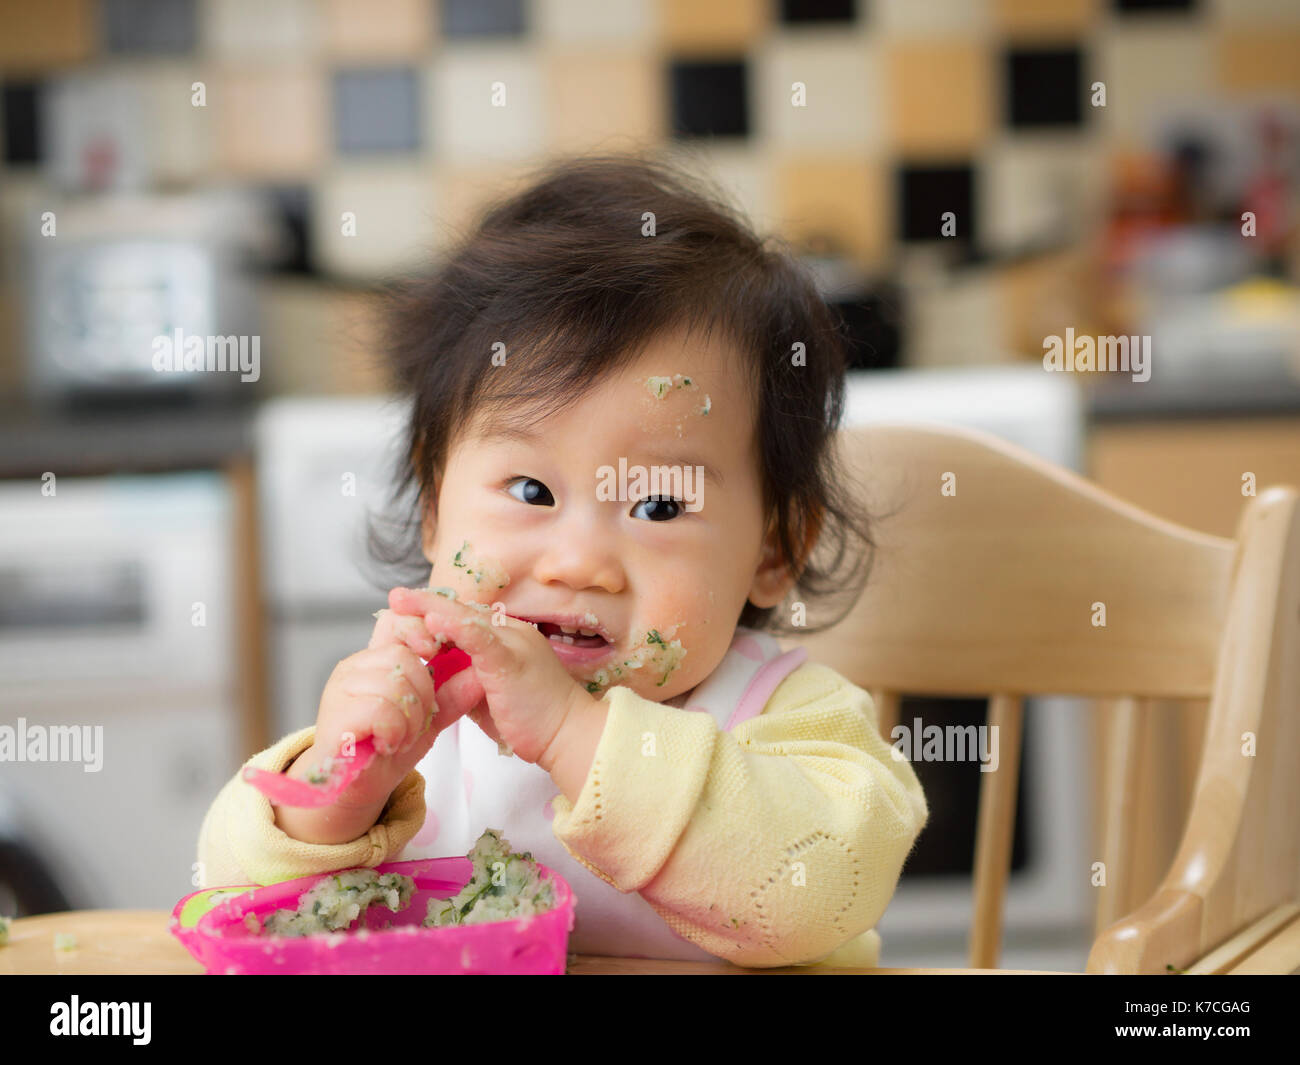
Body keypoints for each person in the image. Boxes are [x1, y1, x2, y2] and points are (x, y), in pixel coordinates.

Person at [198, 154, 928, 967]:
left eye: (657, 505)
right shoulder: (418, 730)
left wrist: (572, 732)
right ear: (437, 511)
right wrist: (334, 799)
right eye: (532, 489)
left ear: (774, 549)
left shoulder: (789, 720)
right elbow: (228, 899)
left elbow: (816, 887)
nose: (579, 562)